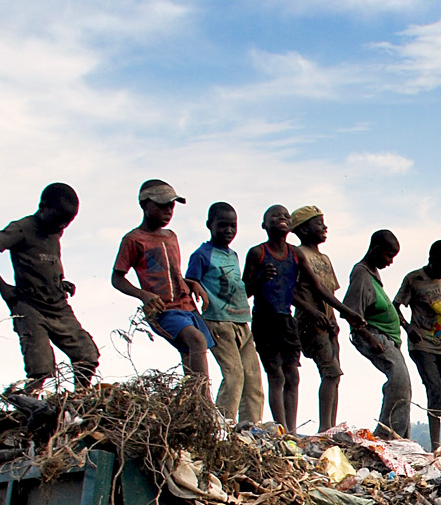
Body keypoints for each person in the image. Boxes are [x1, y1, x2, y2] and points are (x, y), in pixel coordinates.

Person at [0, 182, 100, 390]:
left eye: (67, 223)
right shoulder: (22, 228)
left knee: (87, 355)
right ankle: (32, 405)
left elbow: (45, 261)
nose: (62, 227)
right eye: (59, 220)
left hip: (58, 305)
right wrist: (2, 286)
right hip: (29, 306)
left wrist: (61, 282)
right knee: (40, 368)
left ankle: (80, 399)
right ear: (43, 207)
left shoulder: (55, 230)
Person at [111, 179, 210, 381]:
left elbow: (173, 273)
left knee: (189, 353)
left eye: (171, 206)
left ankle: (192, 404)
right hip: (163, 309)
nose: (169, 210)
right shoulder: (134, 239)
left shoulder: (171, 236)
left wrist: (192, 284)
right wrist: (142, 295)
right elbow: (117, 278)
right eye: (162, 205)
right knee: (196, 340)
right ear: (145, 205)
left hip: (187, 306)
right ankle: (204, 402)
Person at [288, 206, 366, 431]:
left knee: (335, 376)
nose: (324, 228)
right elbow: (291, 292)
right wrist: (313, 313)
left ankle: (330, 426)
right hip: (310, 323)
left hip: (329, 324)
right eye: (319, 223)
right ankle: (325, 429)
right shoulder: (298, 254)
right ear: (303, 229)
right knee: (330, 372)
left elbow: (329, 292)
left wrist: (334, 319)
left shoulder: (324, 258)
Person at [188, 202, 263, 425]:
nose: (228, 230)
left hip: (241, 321)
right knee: (234, 375)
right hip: (218, 321)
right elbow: (189, 281)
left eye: (233, 225)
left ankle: (252, 426)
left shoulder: (233, 255)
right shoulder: (202, 254)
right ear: (209, 225)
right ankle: (222, 424)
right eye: (222, 225)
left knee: (253, 377)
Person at [395, 240, 441, 450]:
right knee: (435, 390)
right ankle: (436, 446)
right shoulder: (414, 279)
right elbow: (395, 305)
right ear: (431, 260)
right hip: (422, 344)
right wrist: (408, 328)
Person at [343, 231, 412, 439]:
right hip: (373, 336)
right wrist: (369, 337)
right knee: (399, 382)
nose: (390, 262)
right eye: (388, 255)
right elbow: (350, 311)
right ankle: (387, 436)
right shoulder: (361, 274)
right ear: (375, 250)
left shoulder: (372, 273)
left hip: (386, 338)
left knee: (403, 385)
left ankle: (400, 436)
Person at [245, 206, 305, 432]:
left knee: (293, 374)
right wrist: (260, 279)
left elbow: (311, 287)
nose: (282, 219)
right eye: (275, 216)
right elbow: (245, 289)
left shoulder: (295, 254)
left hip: (286, 320)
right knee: (276, 375)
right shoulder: (257, 253)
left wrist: (334, 310)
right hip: (265, 320)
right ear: (264, 225)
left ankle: (292, 430)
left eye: (286, 216)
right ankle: (282, 429)